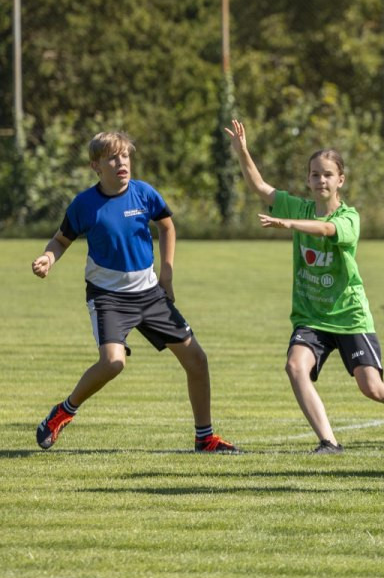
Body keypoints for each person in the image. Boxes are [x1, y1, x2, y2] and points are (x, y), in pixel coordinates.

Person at [226, 120, 384, 454]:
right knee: (295, 366)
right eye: (315, 174)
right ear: (308, 180)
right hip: (311, 315)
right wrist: (242, 151)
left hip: (348, 315)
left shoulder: (349, 218)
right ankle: (329, 442)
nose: (320, 180)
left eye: (327, 174)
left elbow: (327, 230)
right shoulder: (299, 206)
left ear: (340, 179)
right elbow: (260, 187)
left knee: (372, 388)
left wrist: (288, 224)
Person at [32, 131, 239, 453]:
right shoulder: (85, 205)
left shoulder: (144, 194)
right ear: (96, 166)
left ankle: (205, 438)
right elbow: (60, 240)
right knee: (113, 363)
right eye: (113, 158)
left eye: (125, 156)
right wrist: (48, 257)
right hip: (108, 297)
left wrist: (167, 274)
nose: (121, 163)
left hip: (150, 293)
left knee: (196, 359)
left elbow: (167, 225)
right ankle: (64, 411)